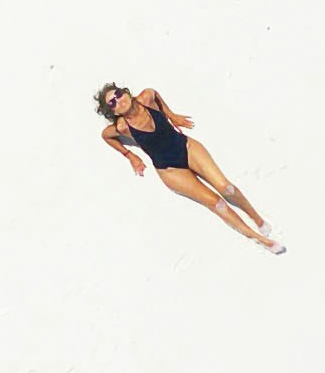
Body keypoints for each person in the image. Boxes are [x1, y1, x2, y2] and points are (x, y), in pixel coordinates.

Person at [94, 84, 285, 253]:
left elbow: (155, 94)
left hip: (187, 147)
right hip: (169, 169)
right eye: (112, 103)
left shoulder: (146, 98)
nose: (118, 101)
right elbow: (106, 135)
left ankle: (257, 218)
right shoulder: (122, 127)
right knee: (216, 203)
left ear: (125, 92)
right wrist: (130, 156)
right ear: (114, 112)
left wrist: (171, 116)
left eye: (118, 94)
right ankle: (259, 239)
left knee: (226, 187)